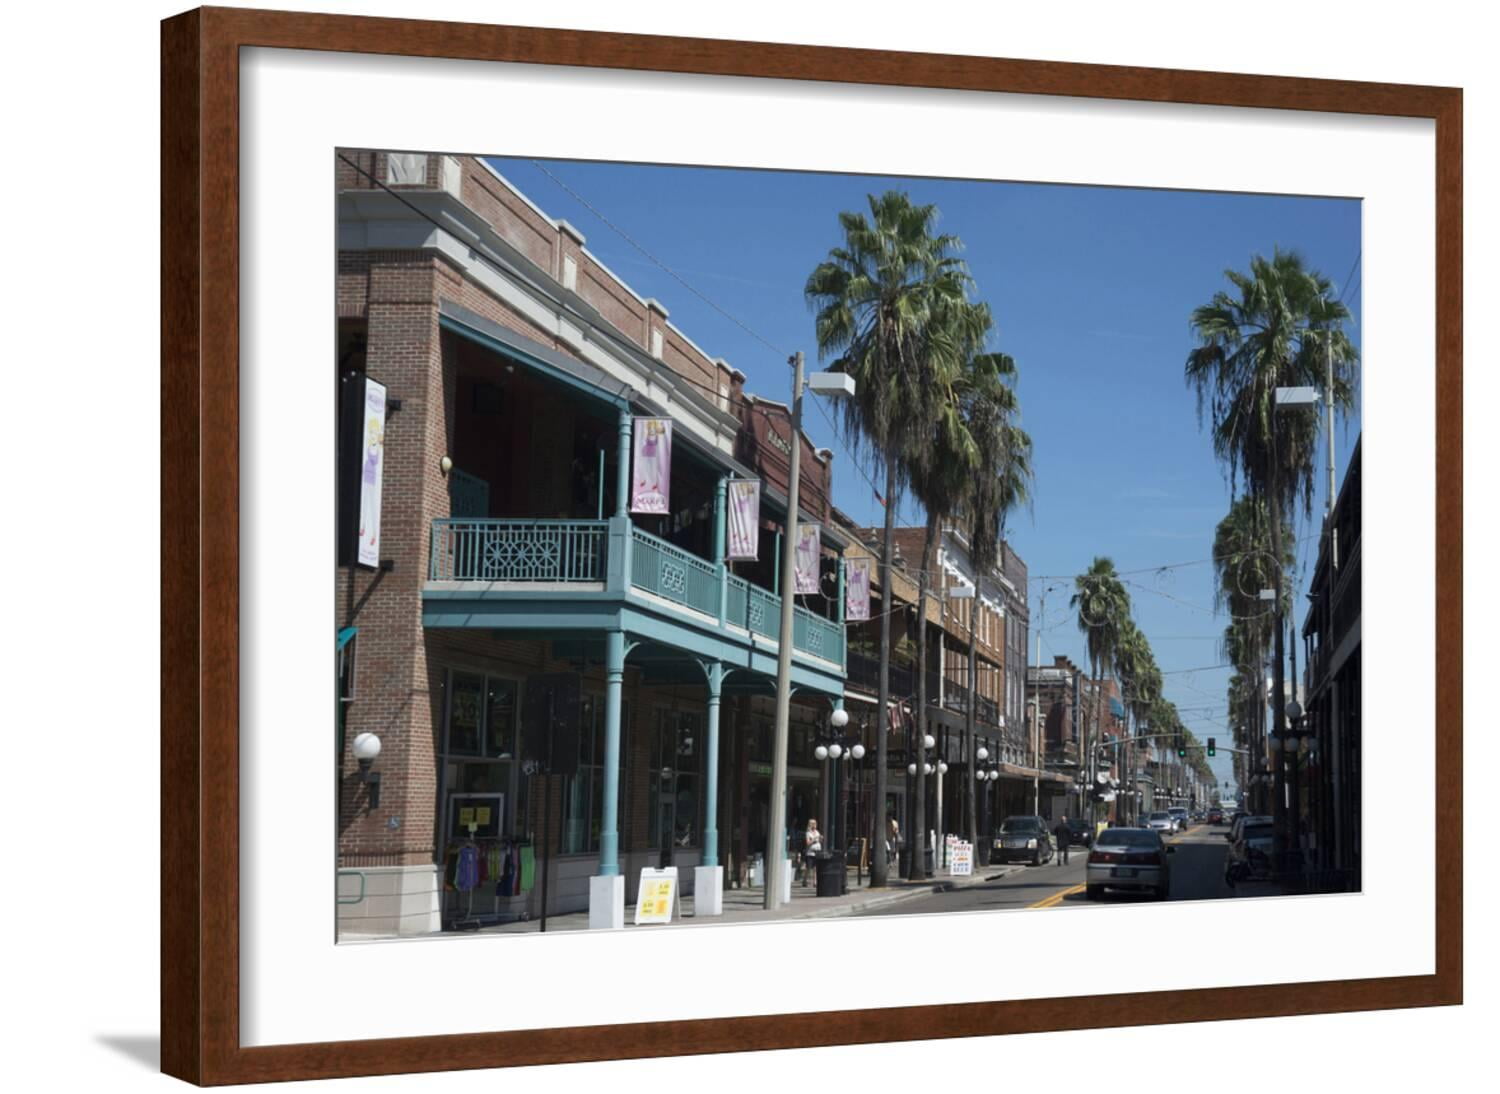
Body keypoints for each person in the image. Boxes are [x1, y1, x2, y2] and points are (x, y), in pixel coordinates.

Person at [803, 819, 823, 887]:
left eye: (815, 824)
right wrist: (814, 839)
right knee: (809, 868)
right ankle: (805, 880)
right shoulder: (808, 833)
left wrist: (820, 839)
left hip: (817, 852)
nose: (815, 825)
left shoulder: (817, 832)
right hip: (810, 852)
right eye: (813, 824)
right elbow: (807, 843)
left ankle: (815, 882)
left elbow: (820, 840)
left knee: (815, 868)